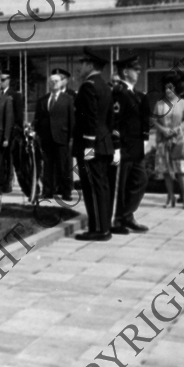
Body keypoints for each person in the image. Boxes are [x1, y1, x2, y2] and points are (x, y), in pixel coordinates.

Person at [73, 48, 114, 242]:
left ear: (90, 65)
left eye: (82, 64)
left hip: (92, 146)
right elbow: (110, 119)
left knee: (92, 189)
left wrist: (88, 150)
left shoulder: (88, 87)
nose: (79, 67)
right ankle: (103, 226)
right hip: (103, 144)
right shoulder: (105, 86)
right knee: (101, 187)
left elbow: (89, 120)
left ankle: (99, 229)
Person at [109, 56, 150, 234]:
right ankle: (116, 220)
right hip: (124, 148)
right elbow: (114, 123)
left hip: (135, 147)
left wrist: (145, 139)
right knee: (120, 185)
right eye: (135, 69)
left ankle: (127, 215)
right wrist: (116, 146)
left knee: (140, 180)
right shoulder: (119, 93)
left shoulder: (135, 93)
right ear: (125, 72)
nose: (139, 72)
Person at [33, 71, 74, 201]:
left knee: (64, 166)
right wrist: (37, 134)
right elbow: (37, 119)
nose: (54, 83)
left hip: (62, 138)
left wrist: (71, 137)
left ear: (61, 83)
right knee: (48, 166)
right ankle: (48, 192)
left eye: (56, 81)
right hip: (46, 138)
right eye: (51, 81)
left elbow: (72, 120)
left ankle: (66, 192)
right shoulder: (43, 100)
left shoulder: (67, 99)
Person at [153, 74, 184, 209]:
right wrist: (163, 129)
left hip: (179, 141)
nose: (168, 91)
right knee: (166, 171)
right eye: (166, 88)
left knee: (181, 171)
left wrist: (176, 129)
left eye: (170, 88)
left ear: (176, 88)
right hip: (163, 140)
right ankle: (170, 197)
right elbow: (154, 120)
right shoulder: (159, 104)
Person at [0, 72, 24, 193]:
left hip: (10, 133)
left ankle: (8, 182)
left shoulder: (15, 95)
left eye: (3, 79)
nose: (1, 82)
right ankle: (1, 181)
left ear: (8, 80)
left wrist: (14, 132)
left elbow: (19, 117)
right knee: (1, 159)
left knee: (9, 159)